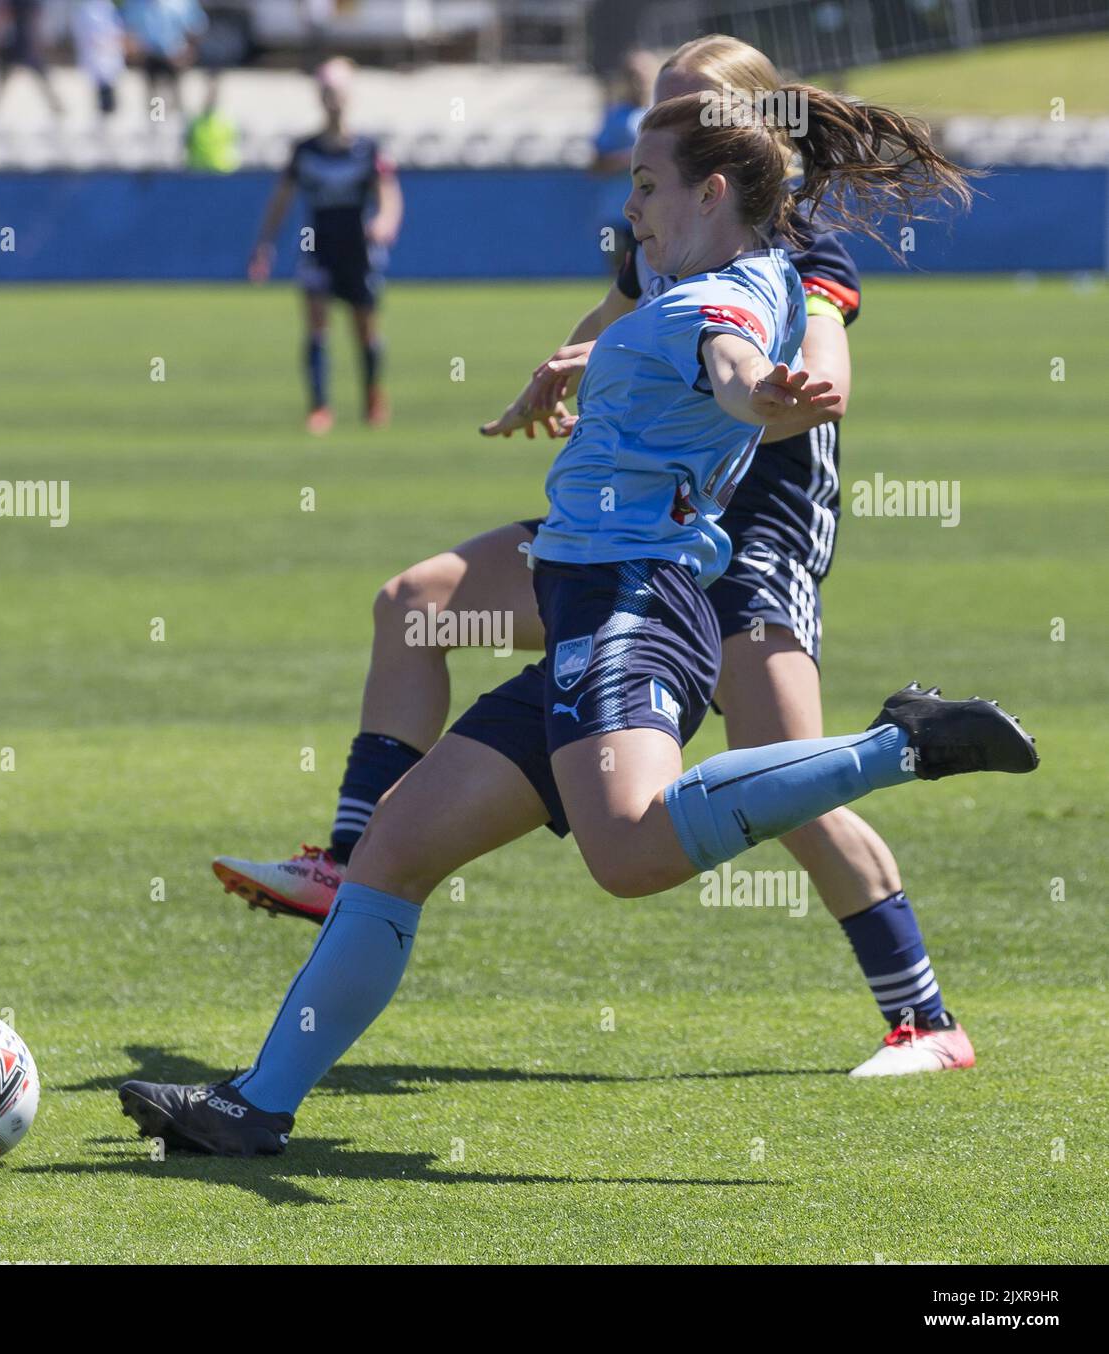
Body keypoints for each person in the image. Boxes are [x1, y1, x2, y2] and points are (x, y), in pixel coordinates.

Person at [121, 86, 1037, 1156]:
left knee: (631, 853)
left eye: (645, 185)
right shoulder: (729, 279)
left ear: (708, 190)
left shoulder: (716, 304)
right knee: (393, 852)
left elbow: (733, 368)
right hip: (587, 604)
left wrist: (766, 396)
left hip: (630, 604)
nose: (632, 207)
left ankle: (900, 744)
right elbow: (721, 352)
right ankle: (254, 1107)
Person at [247, 56, 403, 434]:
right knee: (316, 326)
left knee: (364, 327)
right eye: (326, 92)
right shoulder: (306, 150)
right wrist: (265, 244)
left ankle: (372, 397)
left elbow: (389, 193)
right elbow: (281, 199)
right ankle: (319, 407)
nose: (332, 99)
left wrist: (385, 222)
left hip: (357, 248)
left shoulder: (367, 149)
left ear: (349, 95)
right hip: (318, 245)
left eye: (337, 91)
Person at [590, 49, 660, 273]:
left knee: (653, 275)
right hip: (613, 215)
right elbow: (595, 165)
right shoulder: (614, 116)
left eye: (643, 73)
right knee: (616, 269)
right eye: (632, 74)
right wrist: (629, 159)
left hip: (654, 215)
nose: (638, 80)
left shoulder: (662, 113)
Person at [122, 0, 207, 116]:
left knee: (176, 91)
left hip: (175, 53)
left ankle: (178, 119)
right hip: (148, 55)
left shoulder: (182, 3)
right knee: (153, 92)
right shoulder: (136, 4)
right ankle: (156, 120)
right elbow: (128, 28)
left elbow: (196, 27)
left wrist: (189, 51)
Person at [0, 0, 63, 117]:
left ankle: (55, 104)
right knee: (5, 75)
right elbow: (36, 17)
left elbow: (5, 15)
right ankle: (55, 104)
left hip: (18, 41)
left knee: (7, 74)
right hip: (23, 40)